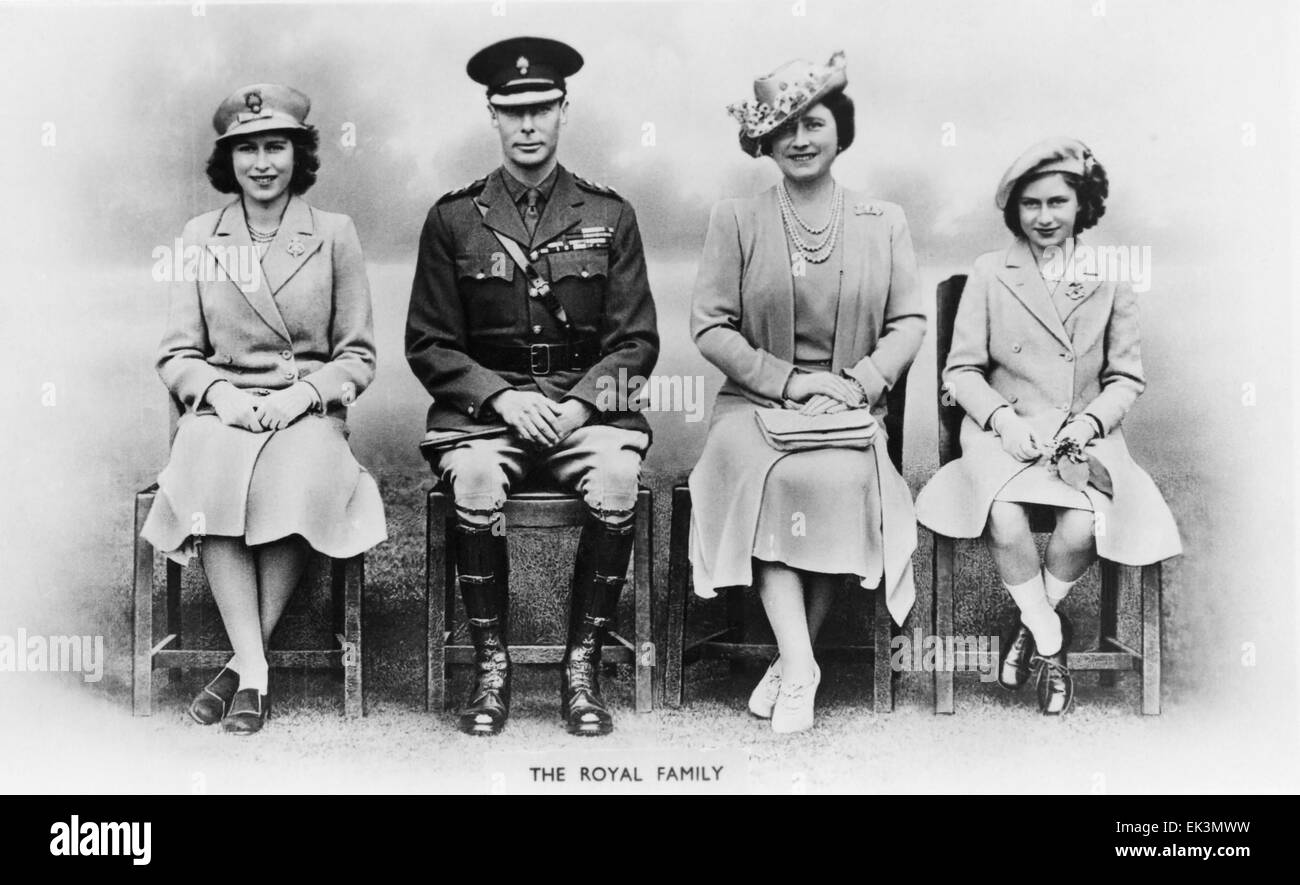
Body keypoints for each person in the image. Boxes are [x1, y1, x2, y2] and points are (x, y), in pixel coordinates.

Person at [406, 37, 659, 737]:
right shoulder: (454, 218)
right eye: (511, 110)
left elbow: (636, 341)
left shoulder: (610, 215)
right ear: (491, 115)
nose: (527, 124)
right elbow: (428, 341)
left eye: (541, 107)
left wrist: (578, 404)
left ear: (563, 110)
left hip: (586, 410)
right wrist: (502, 398)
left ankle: (583, 669)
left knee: (615, 476)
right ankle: (493, 668)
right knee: (478, 478)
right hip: (488, 413)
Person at [689, 52, 925, 734]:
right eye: (783, 128)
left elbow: (908, 321)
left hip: (850, 409)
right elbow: (709, 325)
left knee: (841, 480)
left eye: (812, 122)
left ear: (839, 130)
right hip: (754, 408)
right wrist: (788, 382)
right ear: (765, 142)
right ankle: (802, 663)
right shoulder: (735, 219)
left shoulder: (885, 219)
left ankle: (794, 662)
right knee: (774, 479)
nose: (798, 138)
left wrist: (858, 383)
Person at [141, 84, 386, 735]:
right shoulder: (200, 236)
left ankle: (241, 668)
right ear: (230, 160)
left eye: (276, 145)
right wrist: (219, 395)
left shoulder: (334, 234)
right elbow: (177, 352)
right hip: (221, 412)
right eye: (247, 149)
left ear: (298, 152)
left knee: (299, 472)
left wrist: (301, 396)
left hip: (303, 410)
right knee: (210, 467)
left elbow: (358, 355)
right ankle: (254, 671)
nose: (262, 162)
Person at [915, 137, 1181, 714]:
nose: (1043, 217)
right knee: (1004, 515)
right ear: (1015, 210)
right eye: (1030, 204)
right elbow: (961, 371)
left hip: (1082, 434)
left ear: (1082, 205)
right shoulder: (992, 271)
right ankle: (1052, 643)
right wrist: (1001, 420)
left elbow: (1126, 379)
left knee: (1084, 523)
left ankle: (1028, 632)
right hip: (1000, 432)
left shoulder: (1109, 278)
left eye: (1057, 203)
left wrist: (1086, 424)